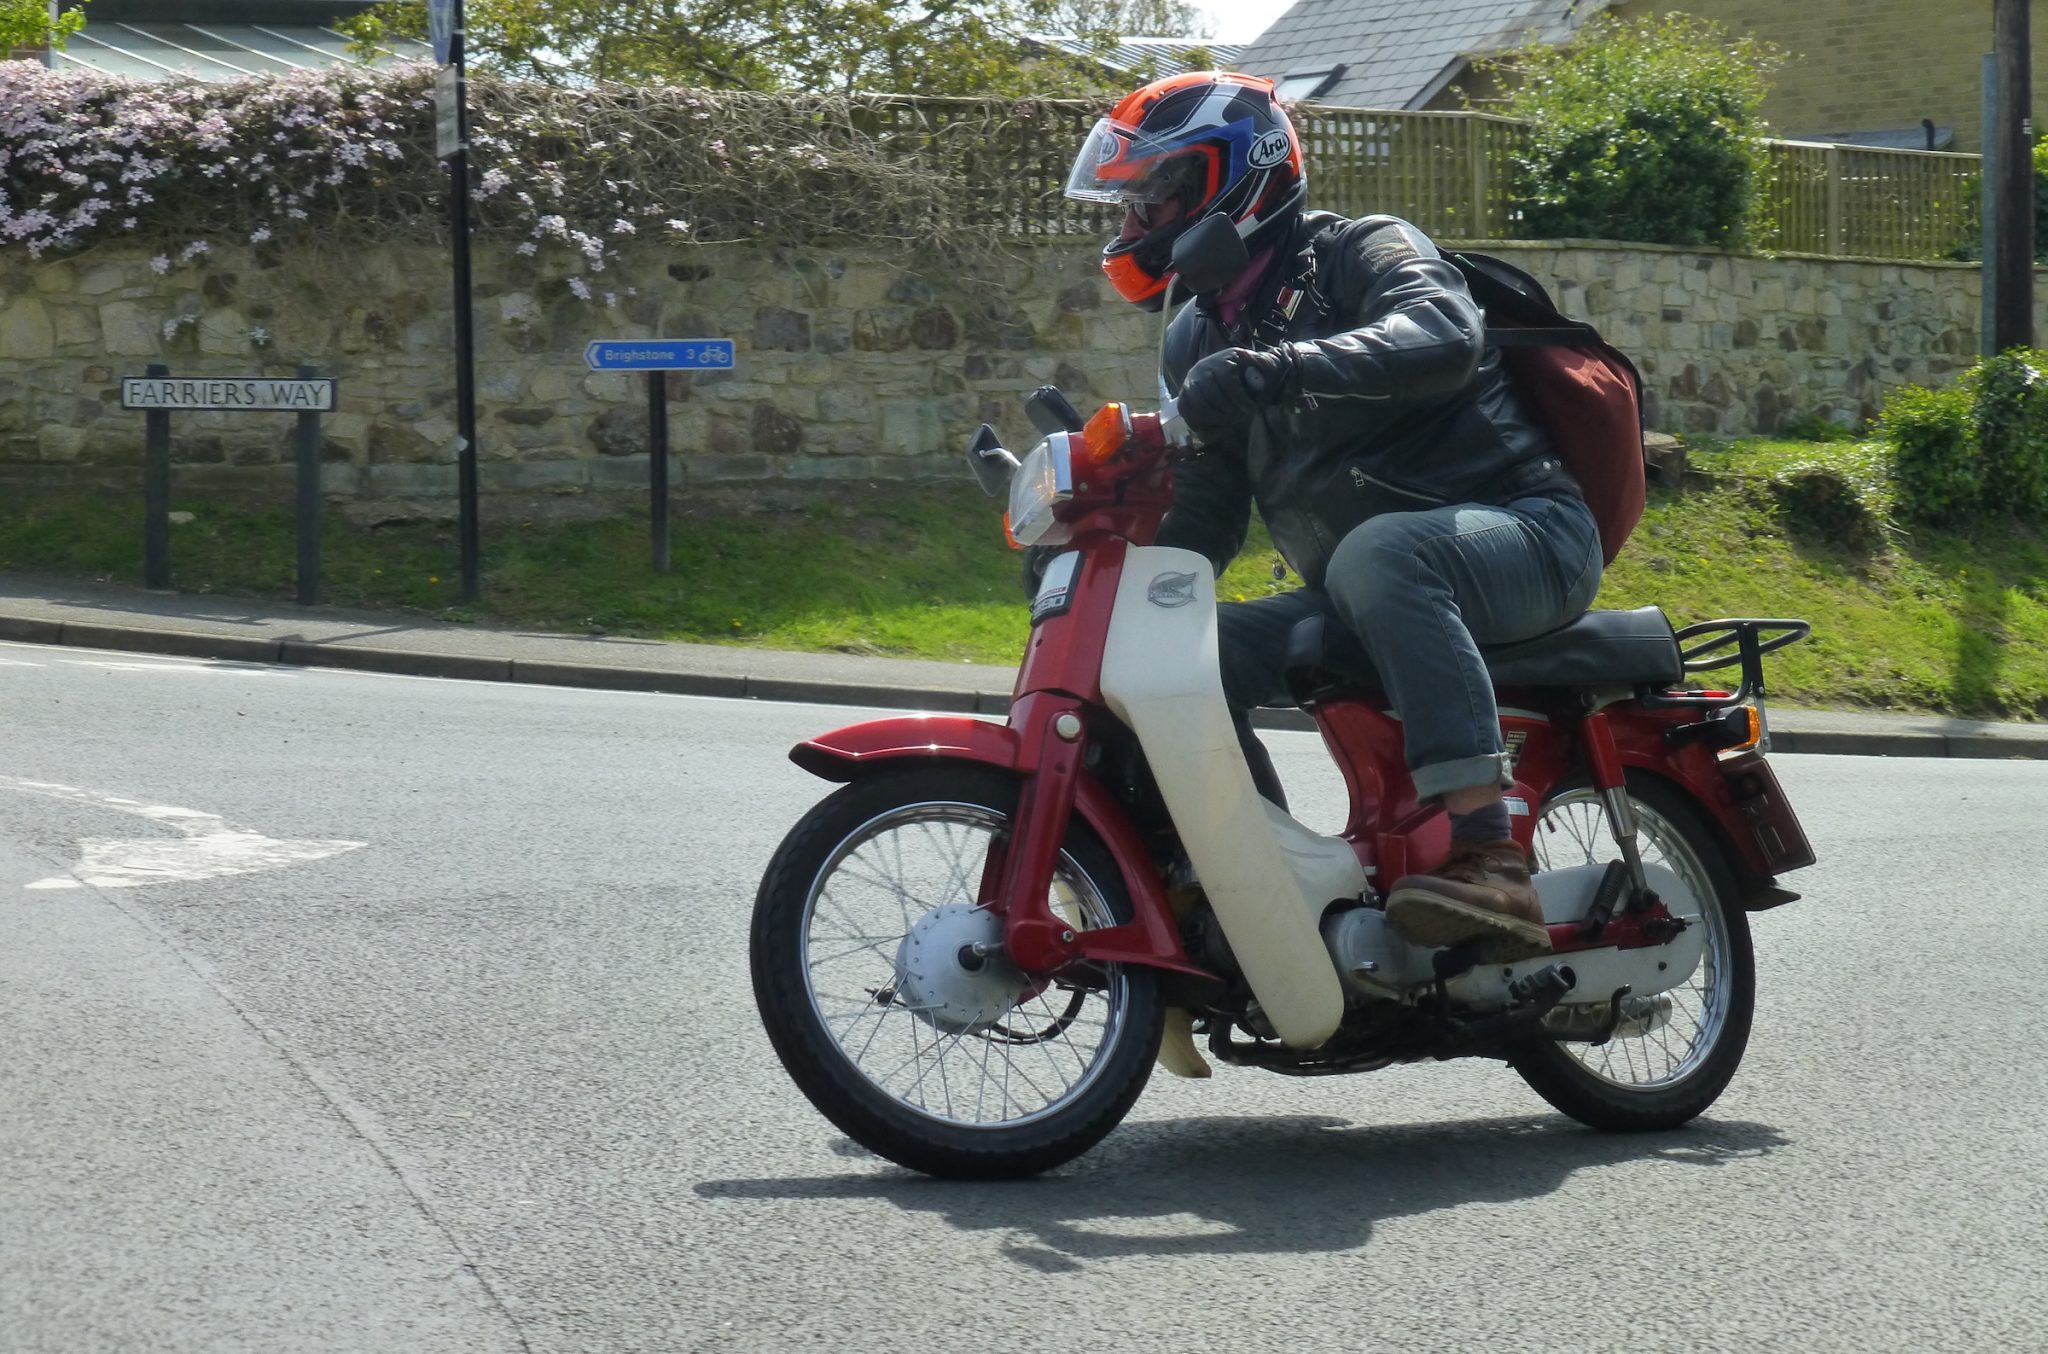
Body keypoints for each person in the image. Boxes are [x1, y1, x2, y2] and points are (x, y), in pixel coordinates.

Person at [1061, 72, 1604, 963]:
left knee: (1378, 554)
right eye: (1125, 208)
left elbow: (1442, 333)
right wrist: (1107, 569)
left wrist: (1282, 365)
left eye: (1147, 202)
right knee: (1181, 653)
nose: (1130, 228)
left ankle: (1487, 850)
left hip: (1526, 535)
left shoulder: (1363, 250)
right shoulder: (1199, 334)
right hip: (1369, 588)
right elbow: (1206, 519)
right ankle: (1252, 873)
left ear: (1227, 182)